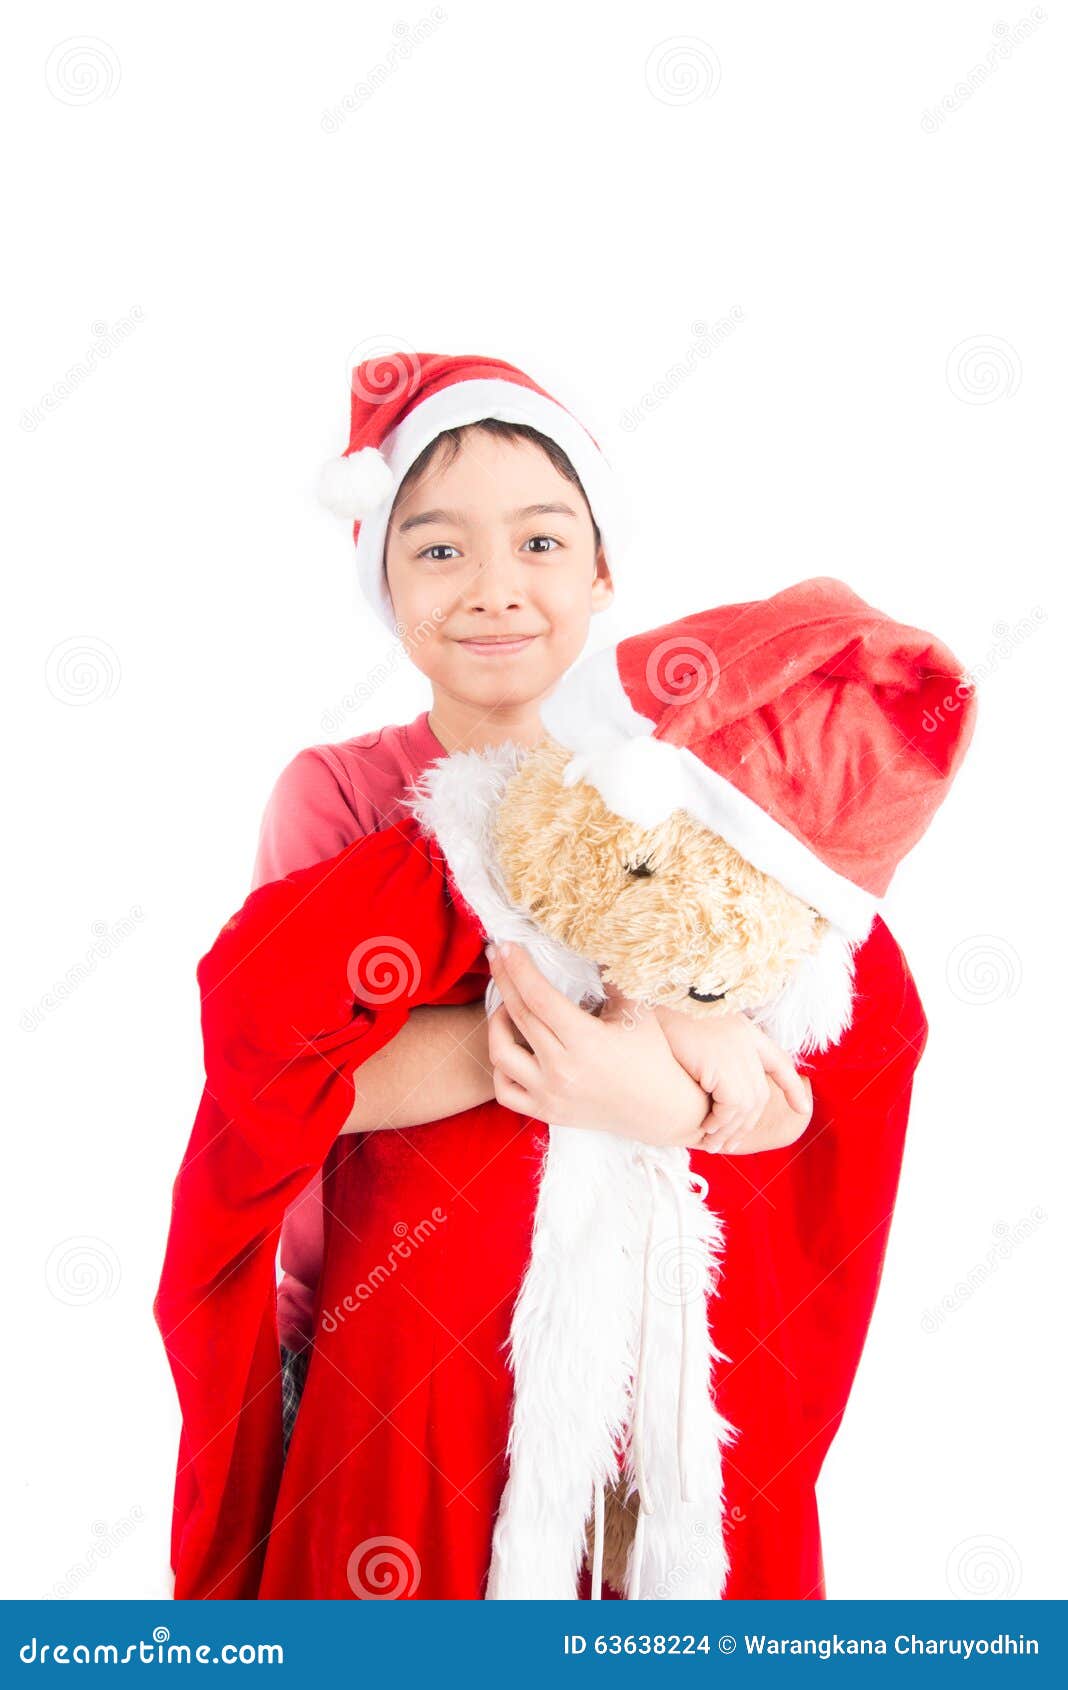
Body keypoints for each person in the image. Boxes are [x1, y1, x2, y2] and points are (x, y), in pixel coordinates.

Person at [154, 354, 957, 1599]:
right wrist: (578, 1056)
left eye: (540, 542)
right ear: (384, 580)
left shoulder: (705, 801)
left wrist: (672, 1099)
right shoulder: (346, 799)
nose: (494, 590)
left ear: (601, 570)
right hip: (403, 1353)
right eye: (437, 551)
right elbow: (302, 1075)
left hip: (652, 1352)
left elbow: (817, 1067)